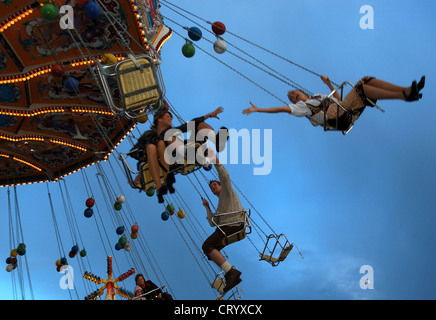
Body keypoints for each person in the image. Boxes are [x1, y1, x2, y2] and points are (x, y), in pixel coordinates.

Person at [242, 75, 425, 130]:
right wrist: (259, 109)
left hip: (344, 108)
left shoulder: (318, 96)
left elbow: (338, 99)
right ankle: (405, 95)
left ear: (300, 91)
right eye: (290, 97)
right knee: (362, 88)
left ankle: (407, 91)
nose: (292, 97)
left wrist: (328, 84)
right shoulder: (301, 108)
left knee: (365, 82)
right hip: (341, 117)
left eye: (293, 93)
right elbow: (281, 109)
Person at [130, 106, 229, 203]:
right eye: (167, 116)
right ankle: (192, 154)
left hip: (183, 151)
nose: (171, 118)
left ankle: (217, 140)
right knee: (167, 137)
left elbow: (191, 124)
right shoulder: (149, 135)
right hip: (169, 156)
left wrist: (210, 115)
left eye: (171, 116)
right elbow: (142, 154)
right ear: (159, 120)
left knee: (199, 124)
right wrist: (140, 174)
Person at [201, 153, 244, 294]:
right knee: (210, 250)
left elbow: (225, 178)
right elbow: (213, 223)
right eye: (211, 187)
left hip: (234, 224)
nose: (213, 188)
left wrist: (216, 162)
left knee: (207, 246)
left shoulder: (227, 191)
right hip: (229, 226)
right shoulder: (220, 206)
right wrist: (207, 207)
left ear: (220, 186)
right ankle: (231, 274)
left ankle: (231, 272)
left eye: (214, 185)